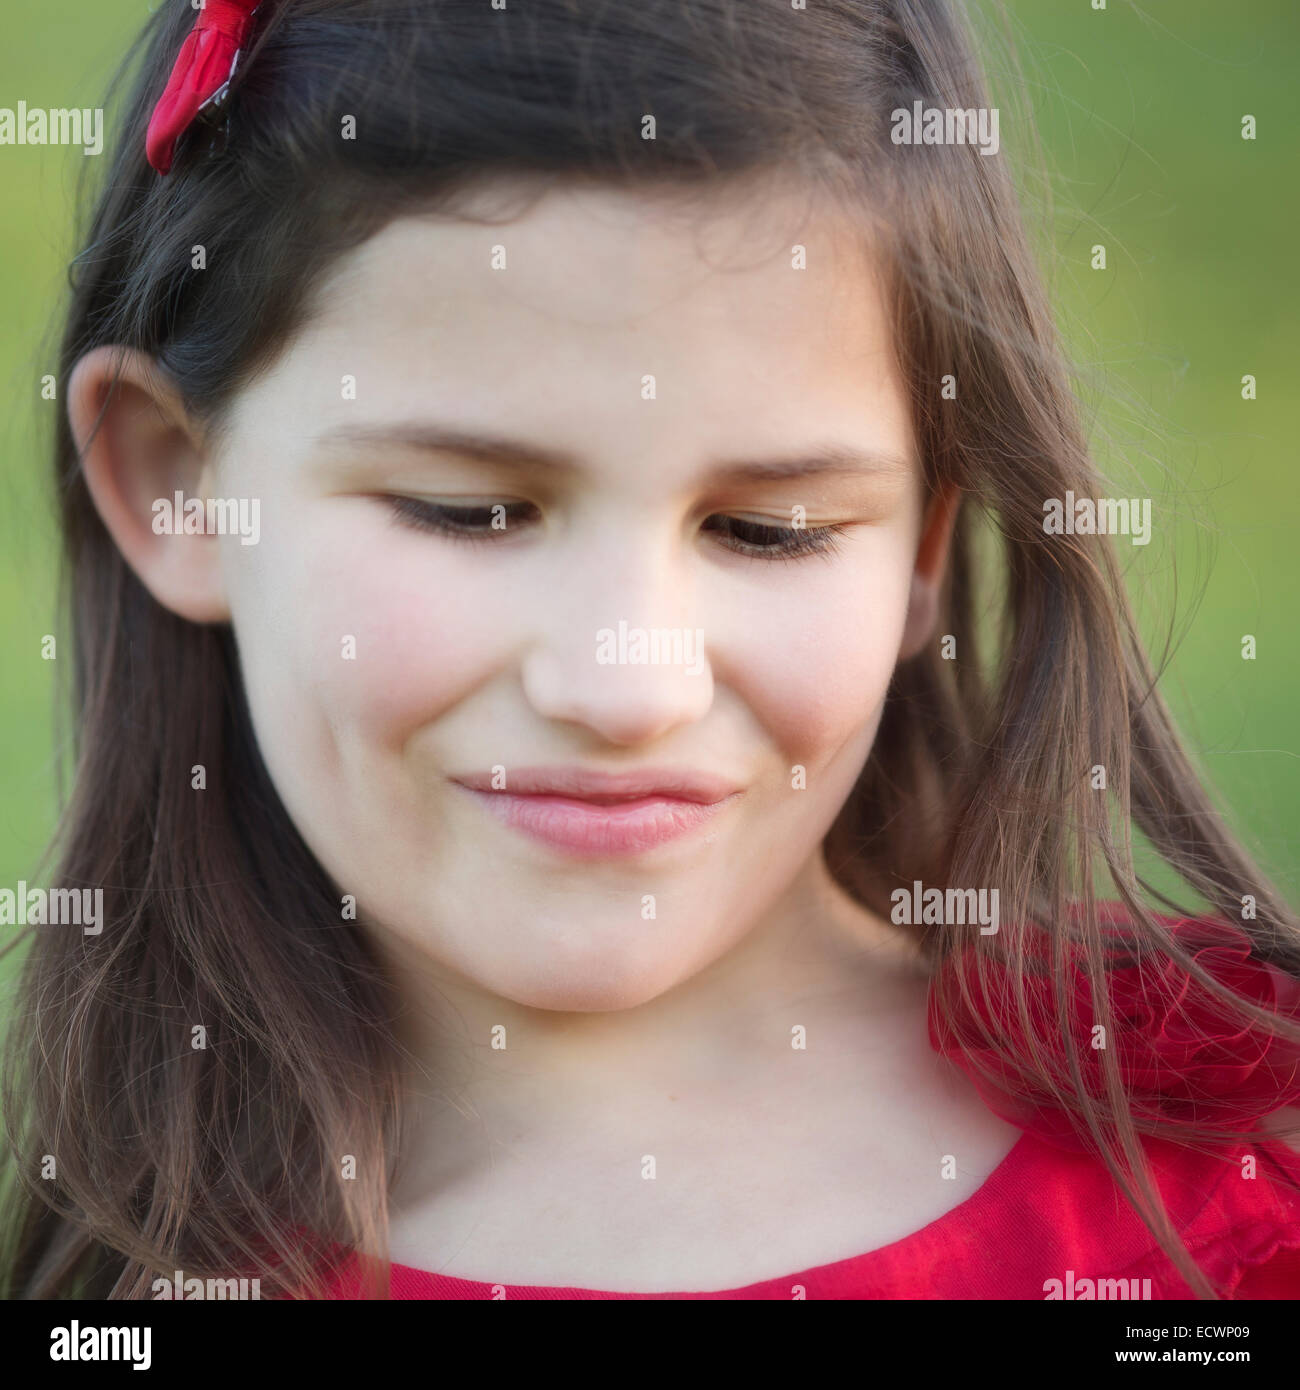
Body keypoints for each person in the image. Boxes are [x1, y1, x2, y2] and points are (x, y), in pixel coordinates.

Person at [3, 0, 1298, 1301]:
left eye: (769, 529)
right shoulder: (122, 1272)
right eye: (471, 512)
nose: (627, 688)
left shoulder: (1224, 1220)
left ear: (921, 549)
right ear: (180, 484)